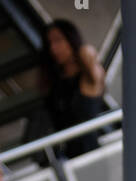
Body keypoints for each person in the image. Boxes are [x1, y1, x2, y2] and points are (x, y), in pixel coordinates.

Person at [40, 19, 107, 160]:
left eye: (58, 41)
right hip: (67, 157)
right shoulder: (55, 83)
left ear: (71, 39)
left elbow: (88, 54)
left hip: (90, 156)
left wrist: (80, 51)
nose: (53, 48)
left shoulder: (88, 77)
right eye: (50, 43)